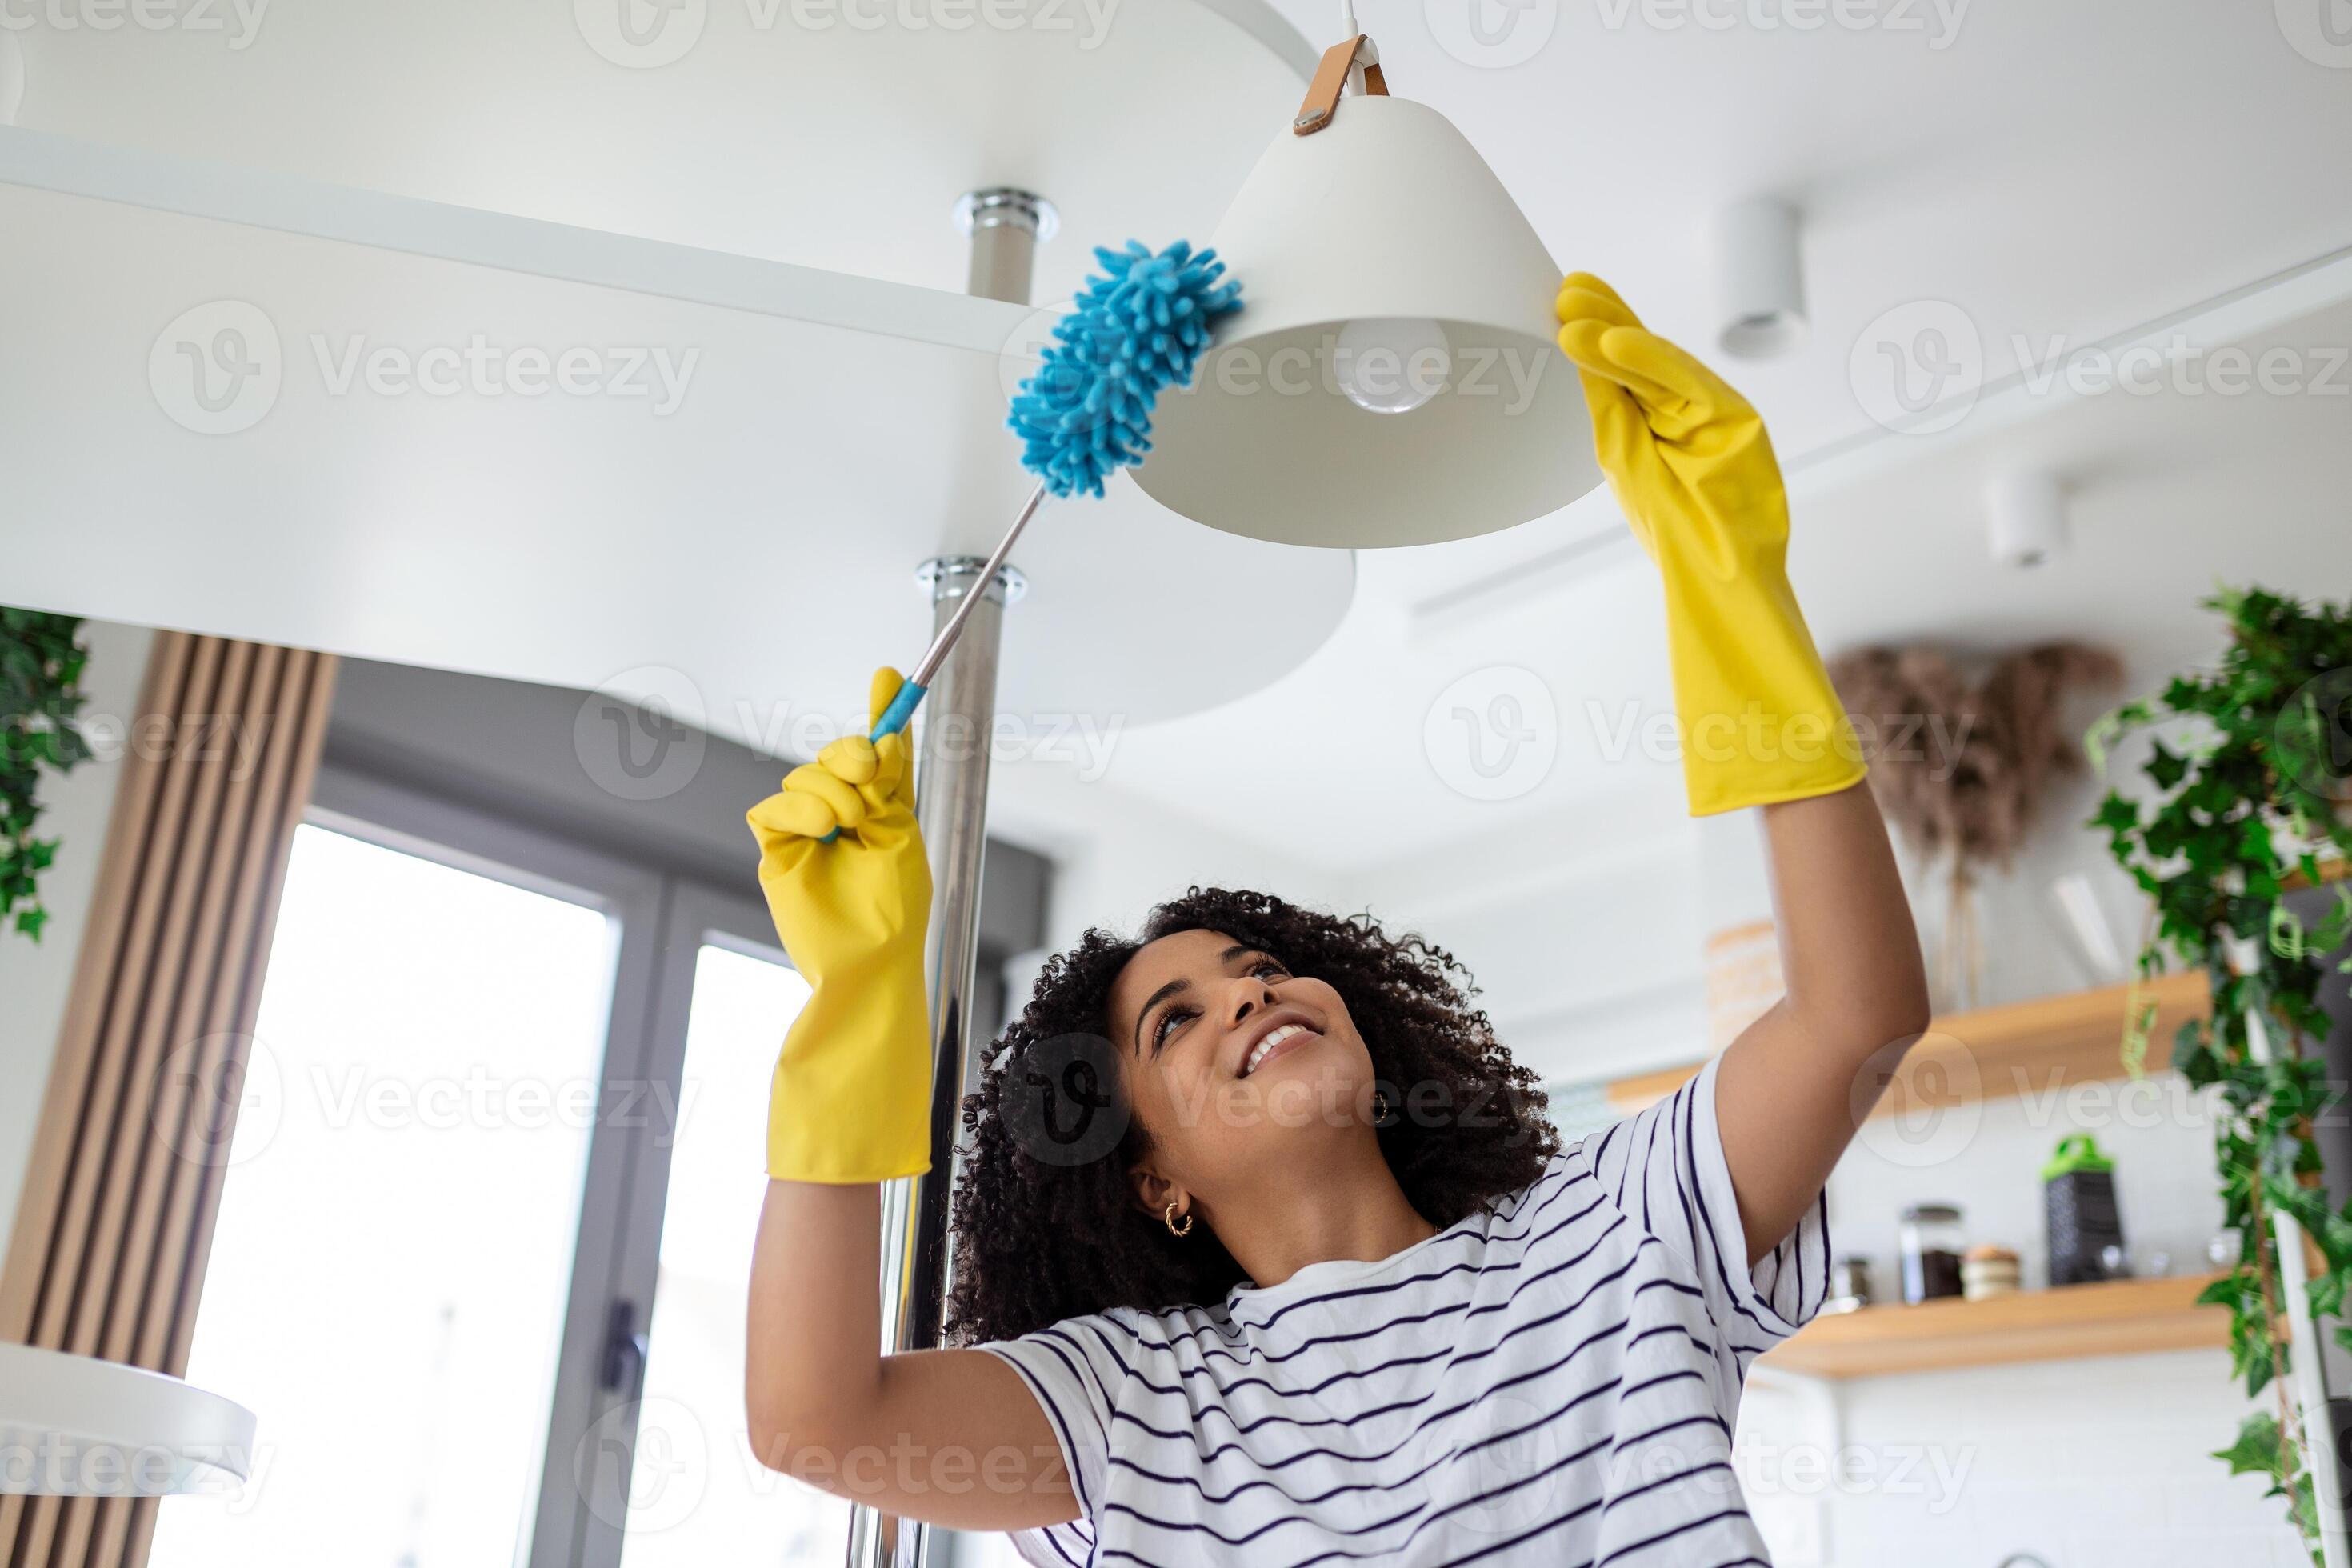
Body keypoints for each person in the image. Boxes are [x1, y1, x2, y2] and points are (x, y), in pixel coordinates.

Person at [743, 275, 1930, 1566]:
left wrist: (1738, 602)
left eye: (1260, 970)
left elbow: (1854, 1016)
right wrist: (856, 999)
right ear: (1152, 1177)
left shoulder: (1614, 1226)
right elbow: (816, 1421)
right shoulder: (1133, 1406)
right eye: (1176, 1020)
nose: (1253, 995)